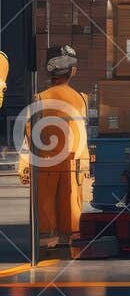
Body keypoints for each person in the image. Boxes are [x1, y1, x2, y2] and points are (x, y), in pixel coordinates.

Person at [17, 45, 90, 250]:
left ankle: (47, 241)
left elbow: (29, 136)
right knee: (71, 203)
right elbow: (83, 134)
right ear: (72, 70)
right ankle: (69, 237)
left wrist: (24, 164)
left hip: (46, 163)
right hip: (73, 163)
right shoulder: (82, 99)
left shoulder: (40, 99)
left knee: (45, 204)